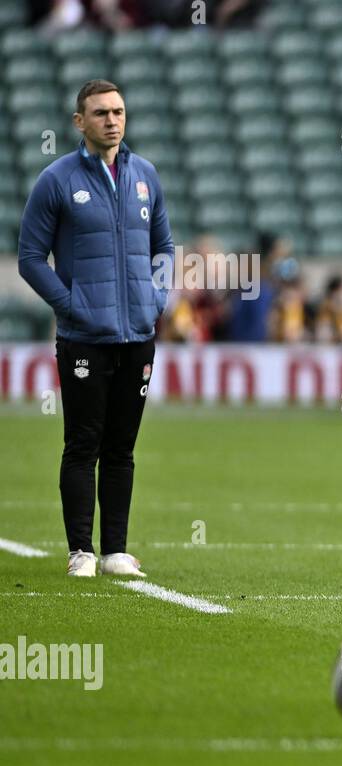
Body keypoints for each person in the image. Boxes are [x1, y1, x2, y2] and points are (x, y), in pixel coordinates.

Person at [17, 79, 173, 578]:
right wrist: (72, 307)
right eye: (101, 112)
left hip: (138, 335)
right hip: (84, 337)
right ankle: (81, 551)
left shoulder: (145, 174)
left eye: (119, 111)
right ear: (79, 121)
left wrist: (155, 299)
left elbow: (165, 249)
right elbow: (29, 258)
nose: (112, 119)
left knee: (122, 446)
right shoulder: (57, 180)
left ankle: (116, 551)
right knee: (83, 442)